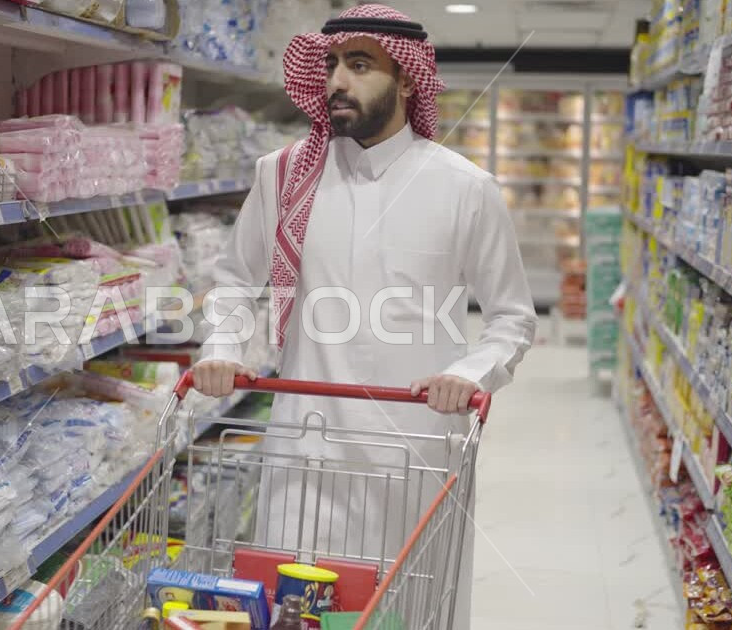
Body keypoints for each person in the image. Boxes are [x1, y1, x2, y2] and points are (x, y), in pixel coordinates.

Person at [189, 5, 537, 628]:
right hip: (304, 443)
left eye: (359, 65)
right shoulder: (283, 174)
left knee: (409, 608)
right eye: (329, 66)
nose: (336, 83)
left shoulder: (464, 187)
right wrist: (221, 346)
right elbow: (235, 280)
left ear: (407, 78)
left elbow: (511, 317)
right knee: (294, 609)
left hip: (414, 452)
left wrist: (473, 372)